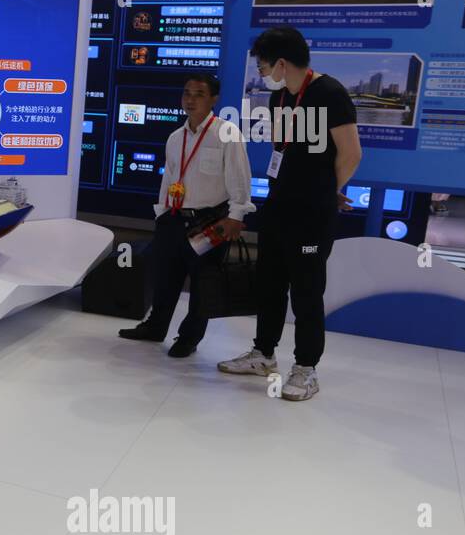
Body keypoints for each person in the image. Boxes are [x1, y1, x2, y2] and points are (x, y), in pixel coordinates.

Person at [217, 27, 362, 401]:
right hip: (279, 207)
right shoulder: (278, 97)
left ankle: (306, 368)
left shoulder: (330, 93)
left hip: (312, 215)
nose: (262, 73)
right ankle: (264, 354)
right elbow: (289, 154)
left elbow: (350, 153)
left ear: (282, 62)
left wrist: (327, 193)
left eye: (264, 66)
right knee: (270, 285)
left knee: (307, 292)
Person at [119, 73, 253, 357]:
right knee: (165, 278)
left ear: (214, 99)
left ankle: (189, 338)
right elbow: (168, 178)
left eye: (199, 94)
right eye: (187, 93)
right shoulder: (175, 137)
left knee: (204, 283)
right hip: (174, 217)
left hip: (210, 222)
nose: (190, 100)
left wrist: (237, 215)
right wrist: (162, 212)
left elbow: (240, 179)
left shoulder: (226, 133)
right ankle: (155, 327)